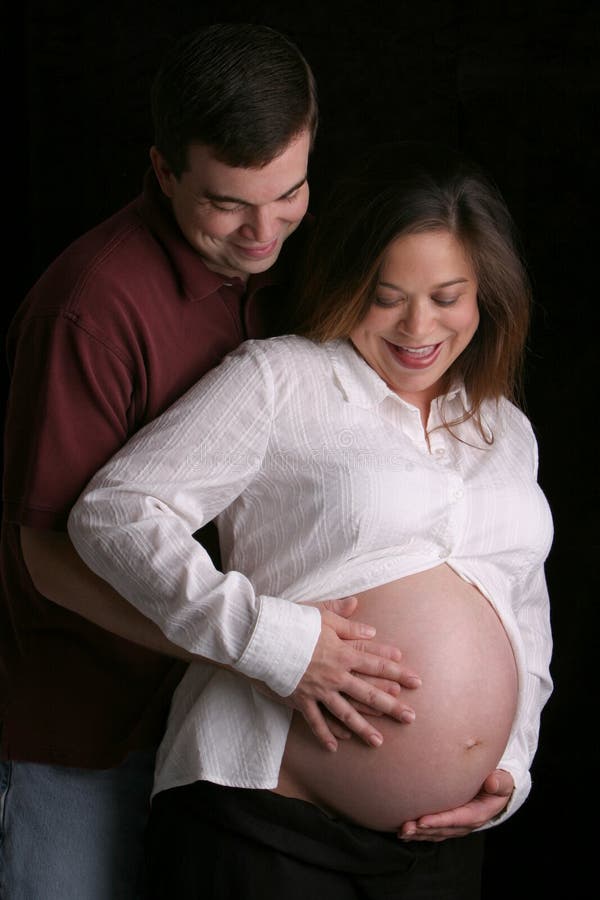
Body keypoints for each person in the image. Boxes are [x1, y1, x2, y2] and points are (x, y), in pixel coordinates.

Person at [67, 140, 553, 899]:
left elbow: (524, 609)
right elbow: (117, 514)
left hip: (440, 851)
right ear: (350, 281)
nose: (416, 326)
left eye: (447, 296)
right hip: (267, 823)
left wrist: (511, 766)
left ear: (486, 296)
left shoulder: (503, 427)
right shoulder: (281, 379)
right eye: (387, 295)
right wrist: (277, 644)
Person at [0, 24, 415, 900]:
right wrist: (250, 650)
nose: (265, 231)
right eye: (227, 204)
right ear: (163, 171)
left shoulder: (300, 265)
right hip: (88, 722)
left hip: (235, 724)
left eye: (289, 192)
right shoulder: (90, 311)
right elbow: (45, 559)